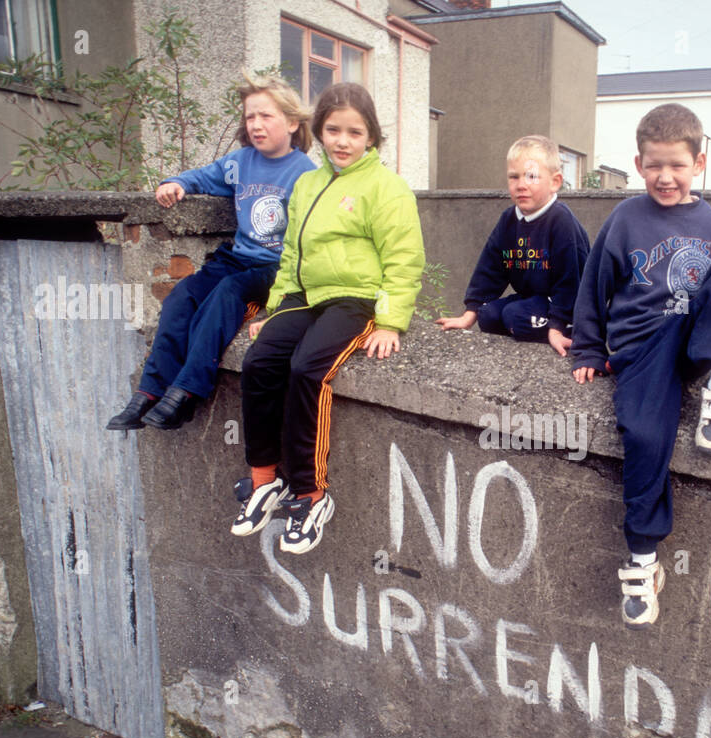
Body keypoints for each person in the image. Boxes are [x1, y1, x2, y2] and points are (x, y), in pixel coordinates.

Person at [570, 103, 711, 628]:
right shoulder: (624, 219)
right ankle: (643, 559)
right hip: (642, 353)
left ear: (700, 163)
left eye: (677, 166)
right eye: (654, 165)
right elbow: (594, 288)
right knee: (643, 437)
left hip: (695, 347)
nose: (666, 177)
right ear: (639, 164)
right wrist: (590, 351)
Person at [231, 82, 425, 554]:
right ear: (318, 132)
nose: (342, 141)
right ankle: (263, 481)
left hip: (355, 300)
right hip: (305, 294)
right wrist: (275, 309)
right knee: (259, 363)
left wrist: (390, 321)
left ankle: (311, 494)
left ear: (371, 138)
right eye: (333, 130)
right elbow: (292, 251)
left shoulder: (386, 188)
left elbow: (404, 258)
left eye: (354, 132)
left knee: (307, 369)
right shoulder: (308, 183)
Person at [106, 72, 316, 431]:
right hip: (237, 257)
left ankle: (187, 391)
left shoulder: (306, 174)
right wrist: (175, 183)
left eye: (266, 116)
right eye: (250, 117)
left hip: (274, 267)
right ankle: (151, 391)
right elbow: (203, 177)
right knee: (182, 296)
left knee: (225, 296)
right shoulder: (240, 162)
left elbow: (310, 241)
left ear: (293, 122)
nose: (256, 124)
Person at [435, 135, 589, 357]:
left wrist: (556, 326)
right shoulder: (509, 220)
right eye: (514, 177)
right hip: (533, 301)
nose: (521, 185)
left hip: (568, 307)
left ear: (555, 182)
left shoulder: (561, 222)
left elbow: (571, 283)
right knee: (488, 315)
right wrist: (470, 313)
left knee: (516, 317)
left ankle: (565, 332)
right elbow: (490, 269)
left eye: (532, 177)